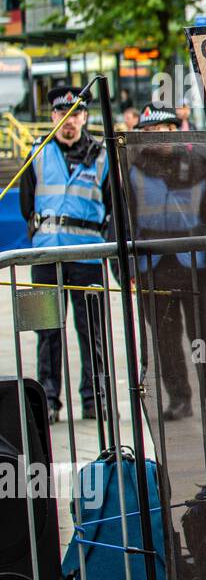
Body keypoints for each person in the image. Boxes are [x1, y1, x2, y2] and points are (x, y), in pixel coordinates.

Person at [128, 105, 206, 423]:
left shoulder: (197, 165)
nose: (159, 137)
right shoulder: (133, 169)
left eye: (166, 129)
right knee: (166, 339)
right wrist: (126, 270)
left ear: (177, 130)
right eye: (151, 132)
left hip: (195, 264)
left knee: (205, 336)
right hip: (152, 267)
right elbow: (122, 223)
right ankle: (179, 399)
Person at [19, 86, 109, 423]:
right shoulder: (37, 152)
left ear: (85, 117)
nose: (69, 121)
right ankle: (48, 402)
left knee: (92, 334)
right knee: (46, 331)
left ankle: (94, 400)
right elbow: (27, 204)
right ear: (53, 117)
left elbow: (111, 207)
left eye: (76, 115)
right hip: (45, 259)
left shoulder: (102, 155)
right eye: (62, 115)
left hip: (87, 260)